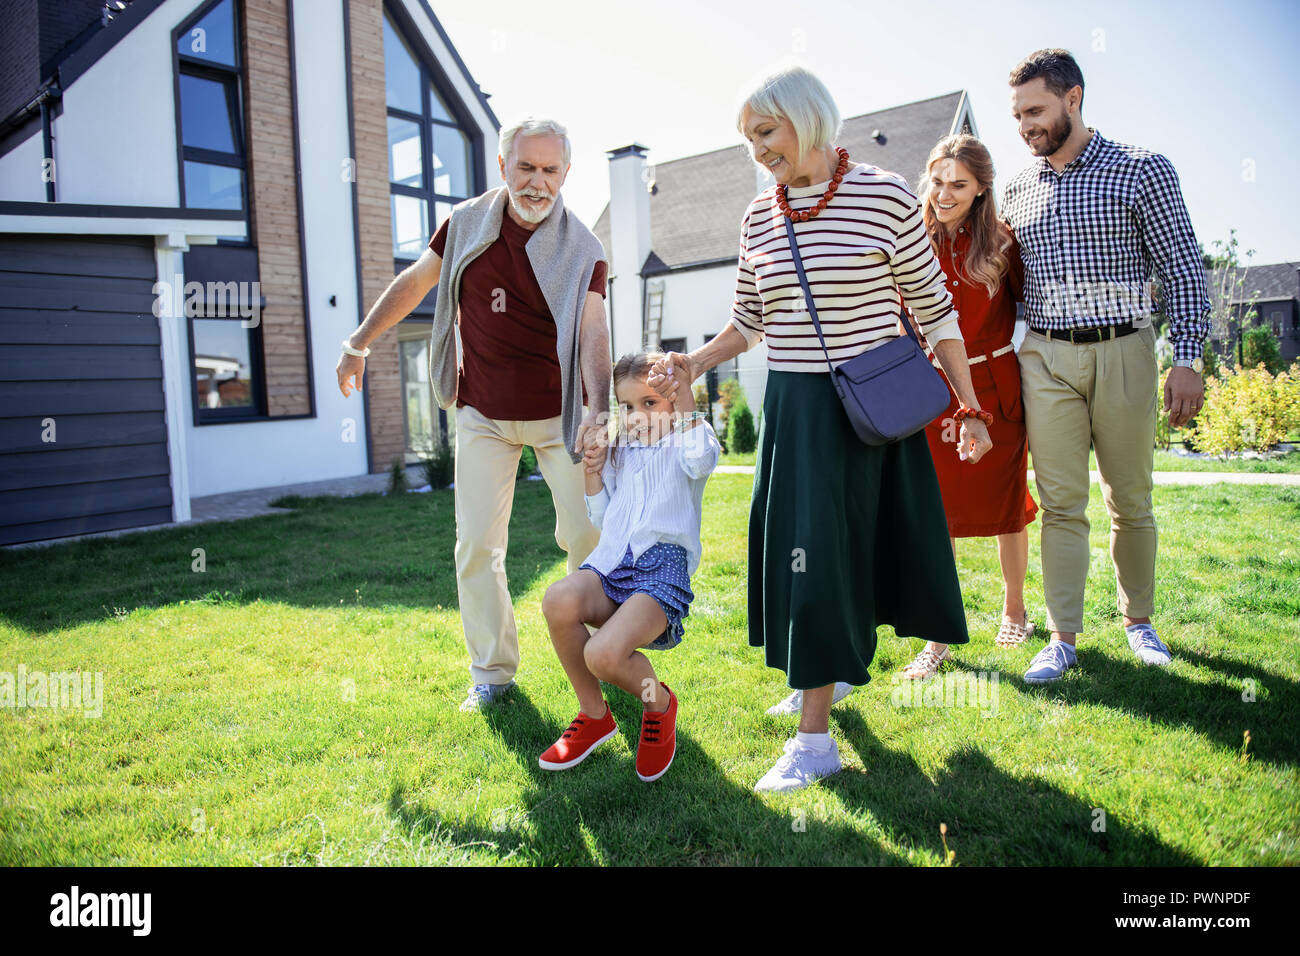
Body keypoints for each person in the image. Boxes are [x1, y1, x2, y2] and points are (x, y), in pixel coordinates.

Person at [649, 65, 992, 792]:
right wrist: (696, 361)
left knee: (839, 556)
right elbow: (749, 320)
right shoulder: (757, 216)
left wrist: (968, 405)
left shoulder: (887, 195)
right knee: (808, 555)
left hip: (872, 405)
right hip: (798, 409)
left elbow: (934, 311)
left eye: (765, 132)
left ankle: (815, 742)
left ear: (806, 120)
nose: (757, 150)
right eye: (748, 138)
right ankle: (826, 679)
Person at [335, 117, 612, 711]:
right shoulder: (465, 225)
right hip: (482, 411)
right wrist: (358, 342)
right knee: (477, 547)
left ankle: (594, 656)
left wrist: (599, 408)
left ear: (567, 173)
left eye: (550, 170)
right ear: (503, 166)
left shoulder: (584, 247)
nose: (538, 183)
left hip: (558, 413)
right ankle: (491, 674)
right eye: (526, 167)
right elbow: (416, 283)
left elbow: (593, 330)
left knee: (588, 534)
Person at [999, 49, 1211, 683]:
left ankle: (1139, 623)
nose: (1025, 125)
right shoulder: (1015, 188)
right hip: (1046, 357)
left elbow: (1182, 269)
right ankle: (1062, 637)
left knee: (1130, 499)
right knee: (1061, 502)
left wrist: (1189, 358)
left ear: (1074, 99)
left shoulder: (1141, 169)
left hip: (1124, 349)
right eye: (1016, 115)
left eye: (1035, 110)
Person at [539, 351, 720, 782]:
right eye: (627, 406)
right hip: (612, 564)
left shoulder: (688, 438)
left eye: (650, 403)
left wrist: (686, 397)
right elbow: (602, 517)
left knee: (602, 655)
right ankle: (594, 714)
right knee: (557, 600)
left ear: (674, 401)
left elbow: (701, 461)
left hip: (660, 572)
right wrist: (593, 474)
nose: (637, 416)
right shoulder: (623, 450)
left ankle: (658, 704)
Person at [899, 134, 1041, 681]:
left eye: (959, 184)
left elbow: (1031, 307)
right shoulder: (911, 239)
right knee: (938, 516)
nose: (944, 194)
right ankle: (938, 637)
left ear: (982, 189)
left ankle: (1015, 610)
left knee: (1007, 505)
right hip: (933, 390)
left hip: (997, 387)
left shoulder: (1004, 244)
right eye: (937, 181)